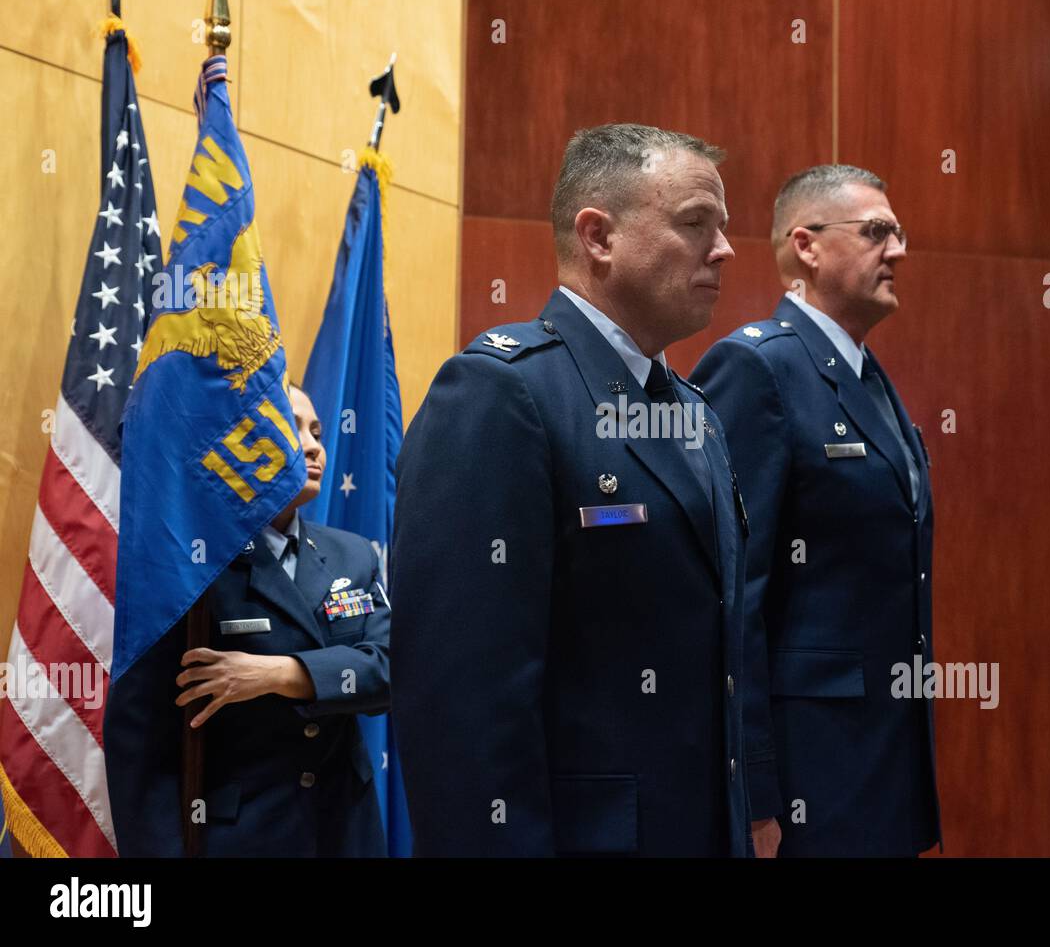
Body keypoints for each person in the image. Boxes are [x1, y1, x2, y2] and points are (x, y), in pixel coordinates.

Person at [391, 123, 759, 856]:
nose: (725, 250)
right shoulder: (504, 392)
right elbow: (462, 708)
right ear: (598, 236)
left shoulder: (696, 415)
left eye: (722, 228)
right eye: (695, 224)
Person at [691, 164, 941, 856]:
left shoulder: (869, 378)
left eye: (898, 233)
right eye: (875, 232)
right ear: (806, 246)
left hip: (881, 765)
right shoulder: (757, 368)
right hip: (808, 779)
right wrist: (755, 792)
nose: (898, 250)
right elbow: (734, 596)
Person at [104, 384, 391, 856]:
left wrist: (279, 674)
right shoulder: (192, 566)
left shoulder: (351, 554)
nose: (315, 444)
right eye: (293, 428)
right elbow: (139, 740)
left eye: (317, 431)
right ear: (242, 443)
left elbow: (387, 671)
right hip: (243, 836)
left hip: (344, 831)